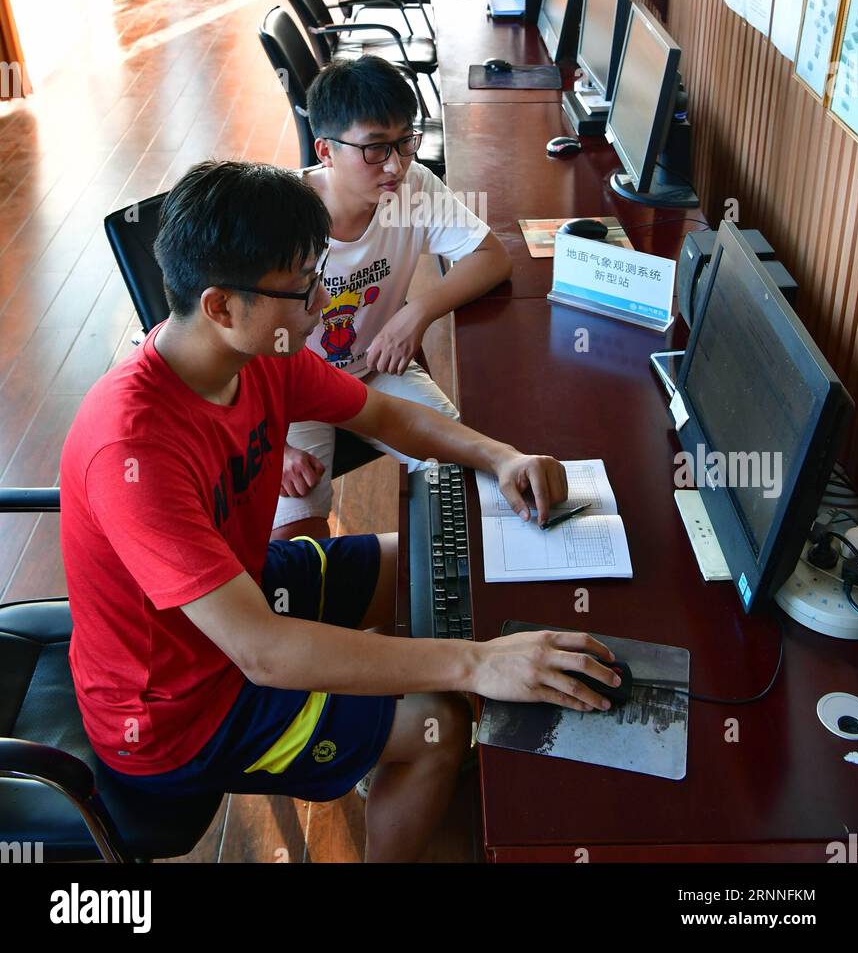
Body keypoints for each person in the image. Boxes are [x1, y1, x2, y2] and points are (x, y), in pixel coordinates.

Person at [60, 160, 621, 864]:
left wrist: (500, 456)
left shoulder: (261, 350)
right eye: (302, 288)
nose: (322, 301)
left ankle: (369, 733)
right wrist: (474, 666)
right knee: (438, 726)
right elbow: (263, 653)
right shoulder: (132, 447)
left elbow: (387, 413)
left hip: (242, 593)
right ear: (220, 307)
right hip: (178, 713)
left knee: (413, 557)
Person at [273, 55, 512, 542]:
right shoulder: (281, 216)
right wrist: (270, 444)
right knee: (296, 549)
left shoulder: (411, 188)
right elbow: (228, 343)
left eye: (406, 141)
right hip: (289, 394)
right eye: (375, 149)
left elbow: (492, 257)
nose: (396, 165)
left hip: (375, 372)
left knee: (468, 470)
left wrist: (418, 312)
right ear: (325, 150)